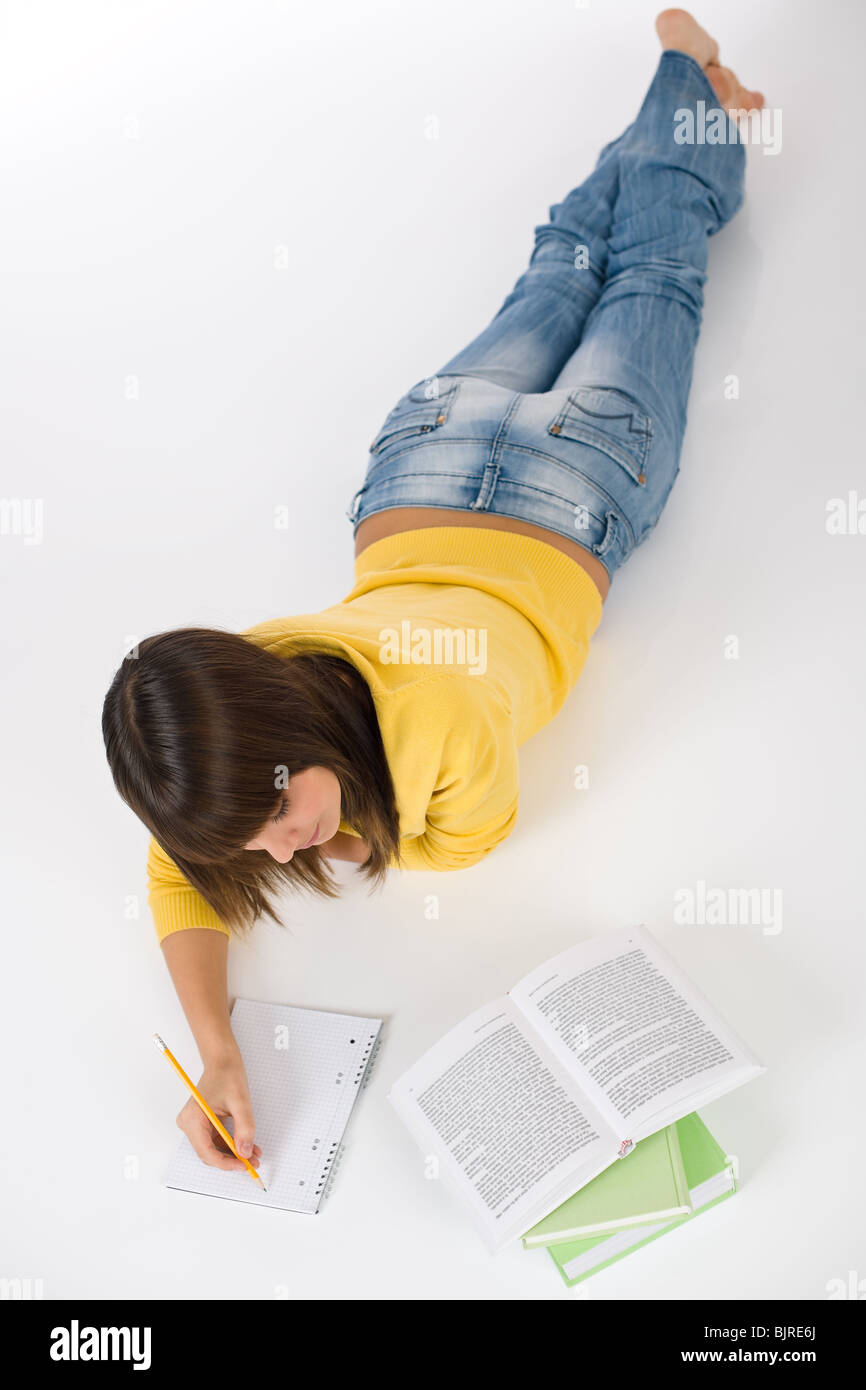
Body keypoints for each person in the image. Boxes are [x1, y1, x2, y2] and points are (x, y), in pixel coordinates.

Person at [102, 10, 764, 1175]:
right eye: (253, 840)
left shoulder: (439, 737)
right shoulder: (253, 667)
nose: (271, 850)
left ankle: (691, 83)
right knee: (562, 256)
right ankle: (682, 83)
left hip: (574, 483)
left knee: (659, 256)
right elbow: (179, 853)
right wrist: (216, 1049)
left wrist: (348, 836)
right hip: (424, 461)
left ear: (286, 734)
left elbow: (471, 840)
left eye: (270, 815)